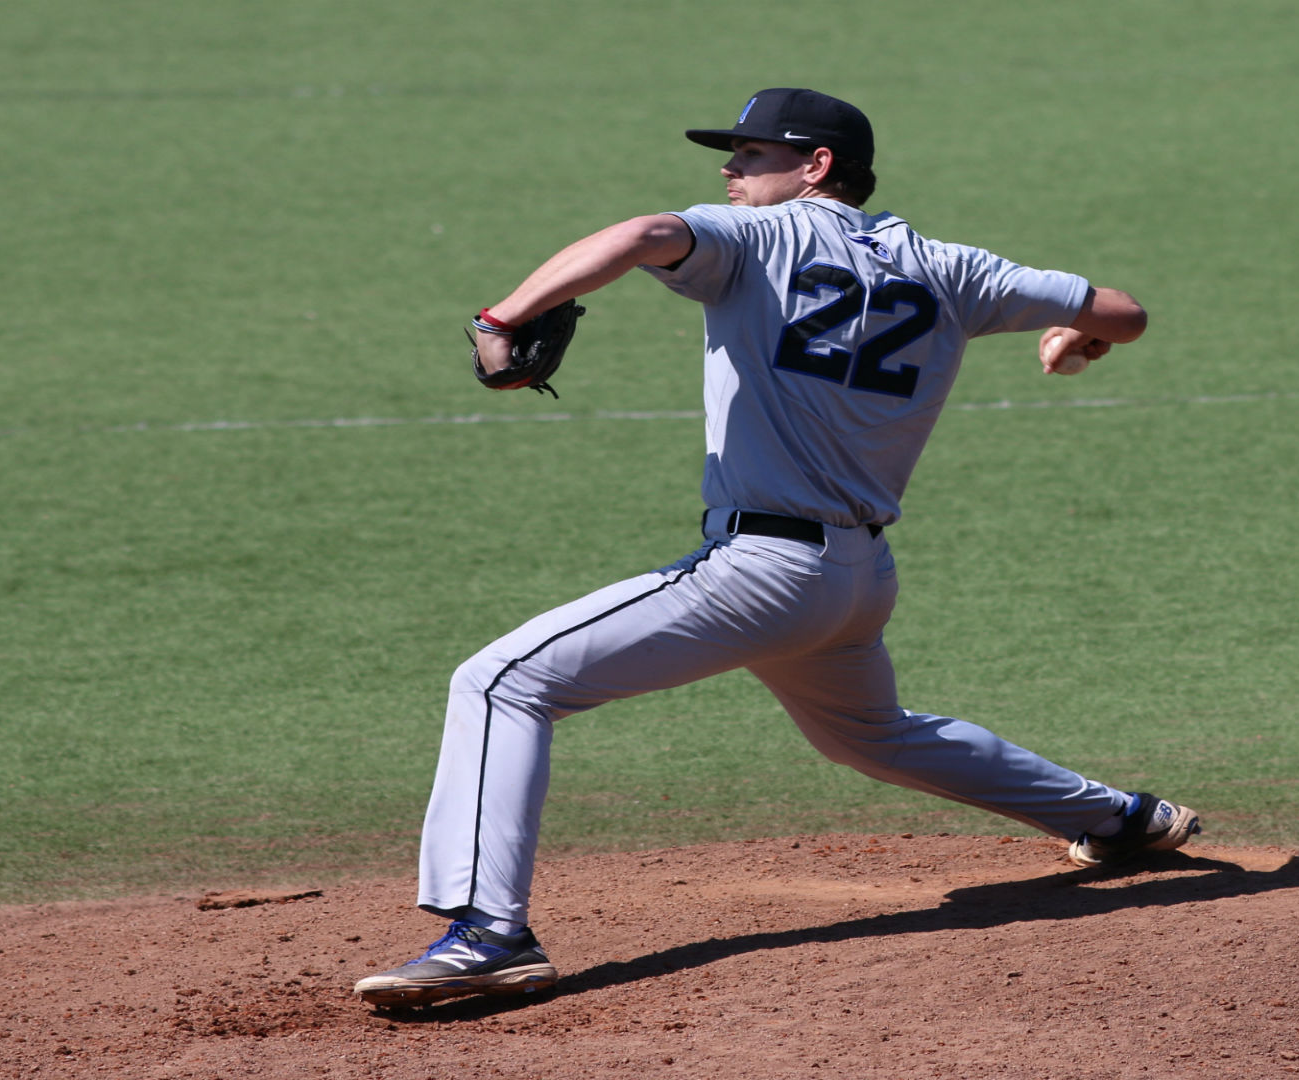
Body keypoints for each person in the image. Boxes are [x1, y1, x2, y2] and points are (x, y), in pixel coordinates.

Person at [354, 87, 1199, 1008]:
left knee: (505, 681)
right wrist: (1081, 333)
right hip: (856, 579)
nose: (730, 169)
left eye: (752, 155)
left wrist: (502, 318)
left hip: (764, 571)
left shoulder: (761, 238)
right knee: (872, 736)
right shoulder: (953, 266)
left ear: (816, 166)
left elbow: (642, 234)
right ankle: (1122, 820)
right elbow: (1126, 310)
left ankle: (487, 933)